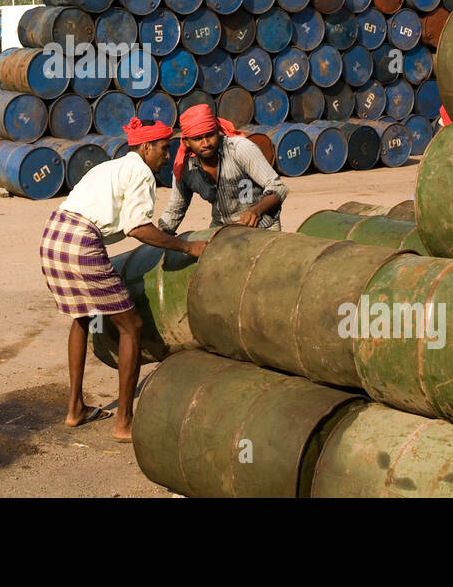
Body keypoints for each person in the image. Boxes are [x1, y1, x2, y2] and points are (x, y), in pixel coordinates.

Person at [39, 117, 206, 442]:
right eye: (163, 147)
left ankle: (75, 409)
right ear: (145, 146)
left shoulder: (109, 166)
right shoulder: (141, 173)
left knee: (83, 317)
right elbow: (137, 228)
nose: (166, 155)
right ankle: (124, 422)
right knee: (131, 327)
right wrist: (188, 246)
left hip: (53, 236)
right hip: (80, 244)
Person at [158, 104, 288, 233]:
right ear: (186, 141)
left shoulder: (239, 149)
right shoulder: (184, 167)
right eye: (197, 139)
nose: (206, 143)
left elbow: (277, 187)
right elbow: (175, 209)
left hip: (262, 226)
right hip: (222, 230)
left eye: (210, 135)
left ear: (217, 131)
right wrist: (160, 238)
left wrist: (256, 210)